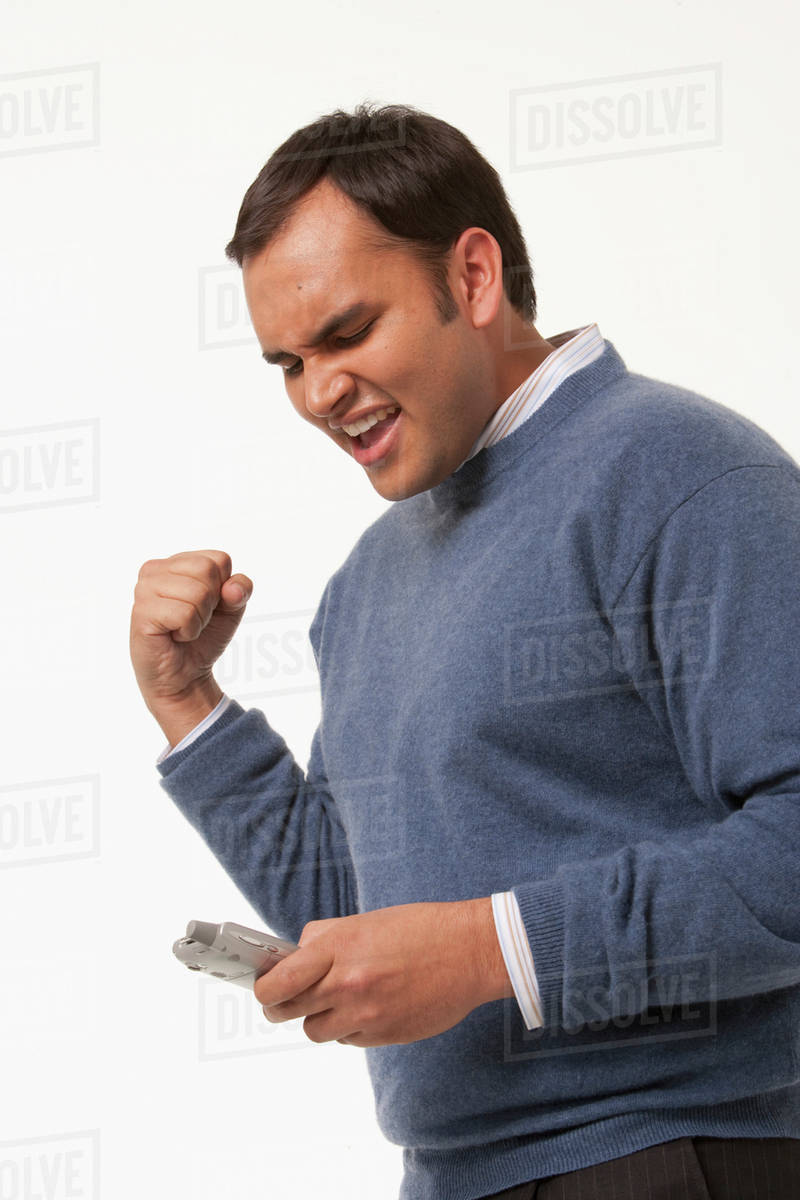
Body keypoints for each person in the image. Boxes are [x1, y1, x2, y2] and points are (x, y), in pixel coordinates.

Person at [129, 103, 800, 1199]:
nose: (316, 394)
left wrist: (489, 952)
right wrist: (189, 706)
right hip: (450, 1177)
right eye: (286, 363)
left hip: (661, 1155)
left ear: (474, 277)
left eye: (346, 335)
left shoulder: (682, 474)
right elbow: (359, 907)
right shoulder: (365, 579)